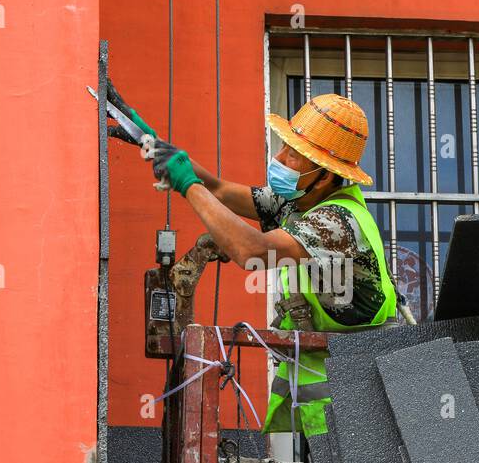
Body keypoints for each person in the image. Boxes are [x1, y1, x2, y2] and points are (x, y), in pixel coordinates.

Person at [106, 84, 396, 436]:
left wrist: (185, 184)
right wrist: (154, 146)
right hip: (316, 391)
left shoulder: (335, 222)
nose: (281, 160)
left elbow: (250, 250)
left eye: (295, 155)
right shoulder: (300, 202)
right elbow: (221, 191)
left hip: (351, 401)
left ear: (327, 176)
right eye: (286, 147)